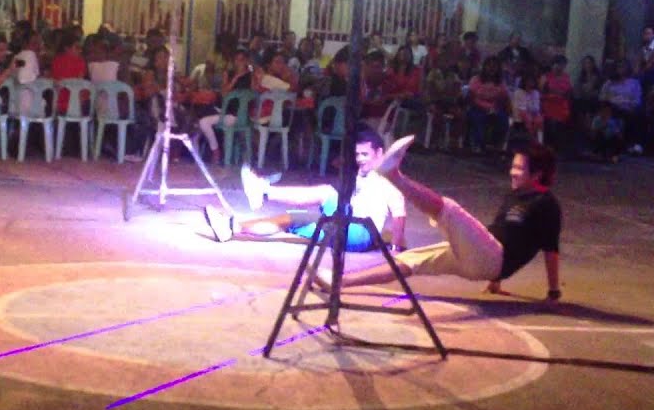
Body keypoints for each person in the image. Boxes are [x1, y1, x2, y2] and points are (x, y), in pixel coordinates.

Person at [320, 136, 562, 303]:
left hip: (493, 258)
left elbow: (550, 250)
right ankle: (341, 282)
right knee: (411, 260)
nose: (512, 172)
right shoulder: (516, 195)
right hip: (480, 258)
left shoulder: (546, 205)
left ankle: (394, 175)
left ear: (537, 174)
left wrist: (553, 292)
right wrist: (495, 282)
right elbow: (506, 233)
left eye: (519, 168)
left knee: (450, 210)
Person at [203, 128, 406, 252]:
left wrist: (396, 248)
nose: (360, 159)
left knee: (326, 192)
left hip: (360, 232)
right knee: (289, 219)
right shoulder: (363, 173)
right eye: (357, 154)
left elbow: (400, 214)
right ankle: (232, 228)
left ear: (380, 153)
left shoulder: (390, 178)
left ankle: (264, 190)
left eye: (365, 154)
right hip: (347, 224)